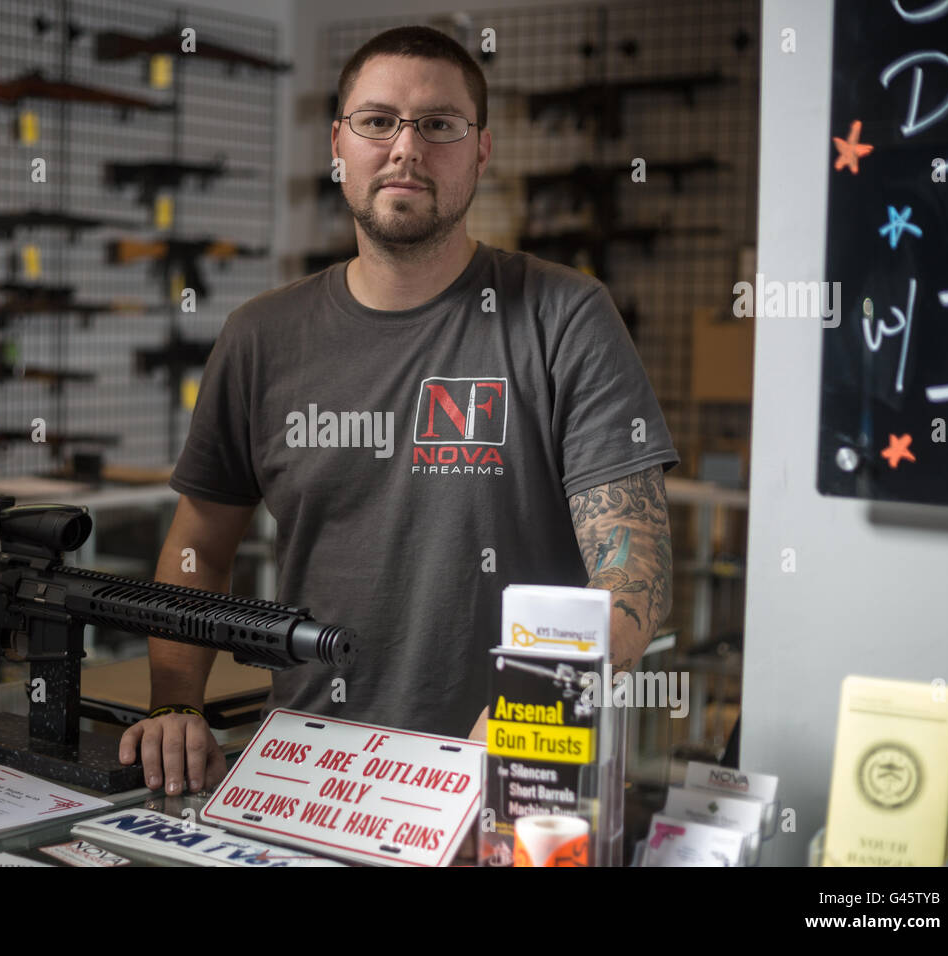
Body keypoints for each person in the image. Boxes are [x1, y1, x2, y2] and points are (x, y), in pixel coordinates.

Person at [119, 26, 678, 796]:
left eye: (439, 124)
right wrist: (176, 701)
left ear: (481, 151)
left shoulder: (566, 316)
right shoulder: (261, 337)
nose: (406, 148)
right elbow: (197, 546)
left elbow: (634, 568)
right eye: (377, 121)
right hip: (311, 774)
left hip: (512, 780)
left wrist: (532, 709)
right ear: (337, 146)